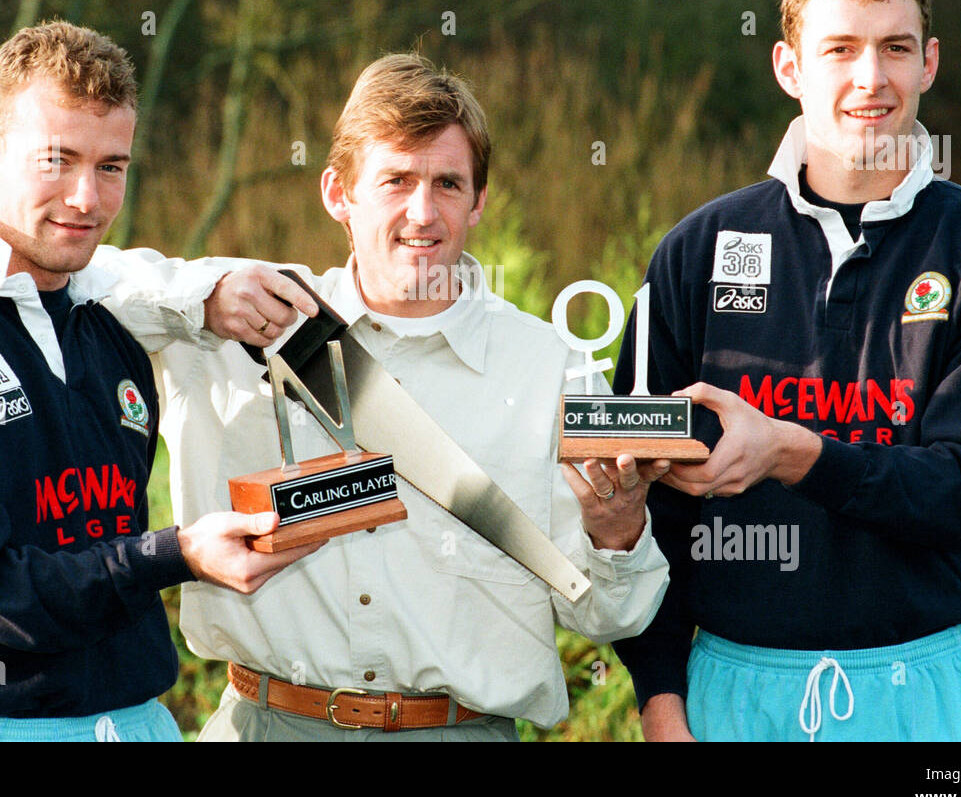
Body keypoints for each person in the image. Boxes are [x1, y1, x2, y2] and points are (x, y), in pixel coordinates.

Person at [95, 52, 670, 740]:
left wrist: (615, 534)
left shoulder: (551, 370)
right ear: (339, 193)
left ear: (480, 201)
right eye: (396, 180)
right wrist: (203, 293)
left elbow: (611, 618)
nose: (422, 213)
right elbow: (65, 271)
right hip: (266, 725)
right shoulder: (234, 325)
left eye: (448, 184)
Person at [611, 0, 961, 742]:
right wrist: (660, 699)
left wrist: (790, 452)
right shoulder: (696, 249)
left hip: (927, 688)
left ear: (928, 62)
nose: (870, 78)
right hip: (728, 691)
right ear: (790, 68)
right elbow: (646, 513)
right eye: (840, 49)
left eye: (894, 47)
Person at [0, 21, 319, 742]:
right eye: (56, 160)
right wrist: (174, 554)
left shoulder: (108, 328)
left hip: (140, 724)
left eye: (111, 166)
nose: (86, 198)